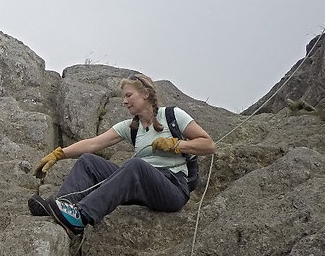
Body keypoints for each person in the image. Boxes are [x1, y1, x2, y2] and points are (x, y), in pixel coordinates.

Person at [28, 73, 216, 235]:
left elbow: (208, 145)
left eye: (128, 95)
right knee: (88, 162)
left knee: (135, 166)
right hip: (142, 187)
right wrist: (59, 154)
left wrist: (177, 145)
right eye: (123, 97)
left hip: (173, 188)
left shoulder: (172, 115)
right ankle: (61, 207)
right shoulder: (131, 127)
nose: (124, 101)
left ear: (145, 94)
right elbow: (94, 143)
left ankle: (82, 215)